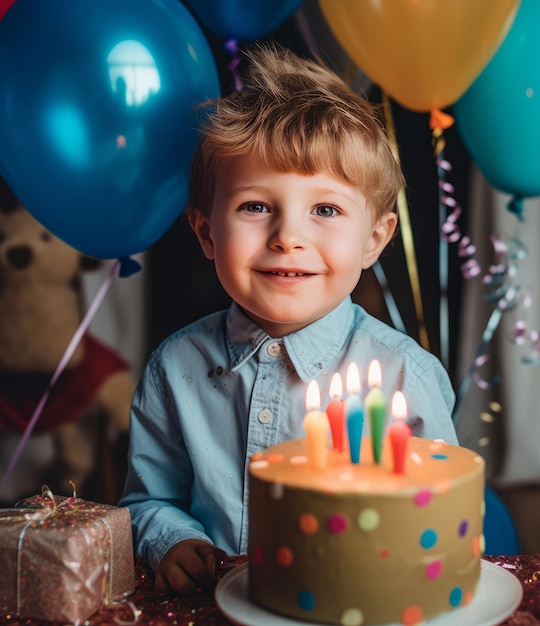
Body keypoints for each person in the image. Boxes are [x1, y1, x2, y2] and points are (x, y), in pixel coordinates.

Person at [119, 44, 457, 596]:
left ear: (375, 239)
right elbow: (149, 498)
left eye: (325, 209)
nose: (287, 237)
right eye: (256, 206)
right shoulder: (174, 367)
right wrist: (171, 538)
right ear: (206, 232)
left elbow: (439, 519)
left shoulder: (403, 376)